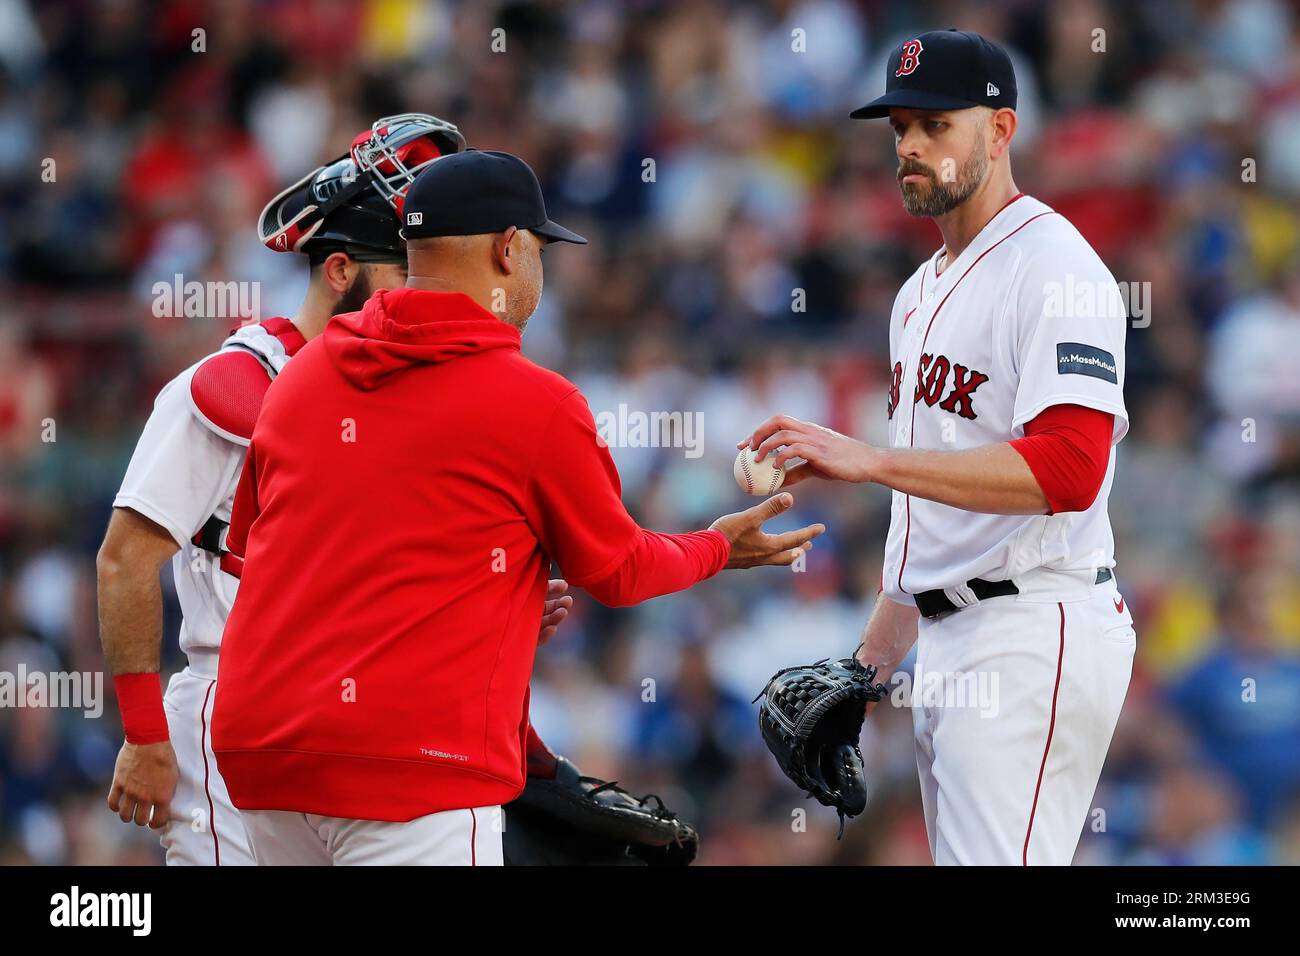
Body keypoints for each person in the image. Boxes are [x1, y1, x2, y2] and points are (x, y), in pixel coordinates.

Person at [211, 149, 825, 866]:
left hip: (263, 759)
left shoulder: (303, 375)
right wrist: (718, 546)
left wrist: (473, 609)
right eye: (538, 248)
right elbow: (619, 570)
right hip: (411, 770)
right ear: (509, 249)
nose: (540, 267)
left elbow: (258, 552)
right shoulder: (535, 401)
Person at [96, 114, 533, 864]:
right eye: (404, 271)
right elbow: (124, 560)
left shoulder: (400, 393)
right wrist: (141, 734)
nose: (426, 291)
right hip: (231, 714)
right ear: (340, 272)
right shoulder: (239, 382)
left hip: (350, 728)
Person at [743, 30, 1134, 865]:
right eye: (899, 130)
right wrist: (869, 666)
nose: (912, 147)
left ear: (1000, 130)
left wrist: (872, 461)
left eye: (936, 124)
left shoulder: (1055, 268)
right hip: (951, 636)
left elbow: (1070, 467)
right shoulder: (917, 294)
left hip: (1034, 622)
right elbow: (931, 518)